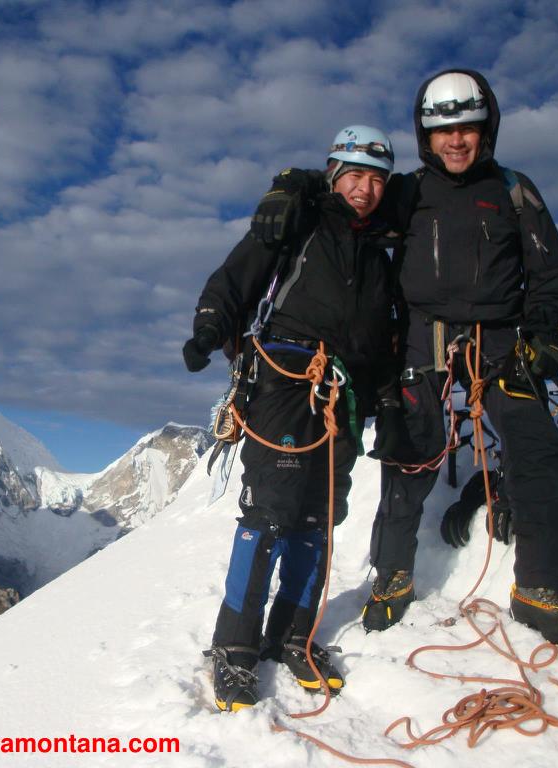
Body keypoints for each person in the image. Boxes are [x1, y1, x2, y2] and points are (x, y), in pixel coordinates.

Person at [249, 70, 558, 651]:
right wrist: (294, 183)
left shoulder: (514, 190)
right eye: (443, 131)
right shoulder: (406, 193)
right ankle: (393, 575)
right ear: (425, 136)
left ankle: (539, 585)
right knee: (409, 454)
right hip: (421, 337)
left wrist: (545, 336)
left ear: (486, 130)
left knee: (538, 451)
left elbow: (550, 274)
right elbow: (349, 200)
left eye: (467, 128)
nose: (456, 141)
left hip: (503, 338)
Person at [183, 125, 406, 712]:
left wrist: (385, 395)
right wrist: (208, 327)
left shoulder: (379, 257)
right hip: (285, 378)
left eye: (376, 179)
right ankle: (234, 646)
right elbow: (236, 277)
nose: (365, 188)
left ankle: (292, 634)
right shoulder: (297, 222)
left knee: (320, 515)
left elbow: (383, 340)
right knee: (271, 513)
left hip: (343, 394)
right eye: (354, 175)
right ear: (334, 175)